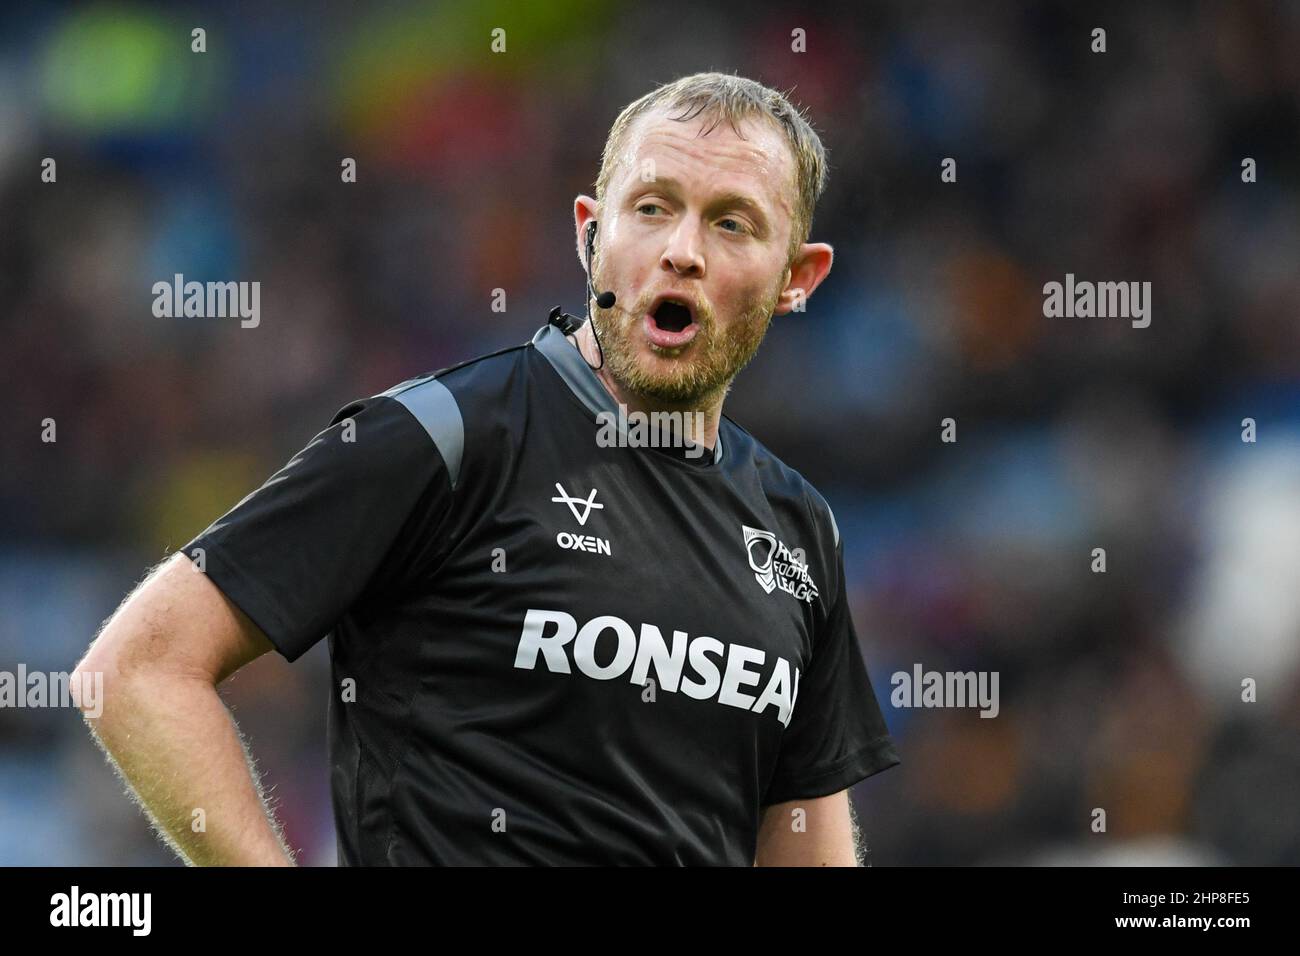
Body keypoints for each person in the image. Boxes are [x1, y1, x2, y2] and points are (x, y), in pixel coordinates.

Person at [72, 71, 900, 866]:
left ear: (797, 278)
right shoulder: (443, 438)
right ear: (589, 232)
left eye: (732, 223)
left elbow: (806, 849)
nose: (682, 250)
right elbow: (139, 669)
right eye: (651, 208)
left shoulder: (797, 532)